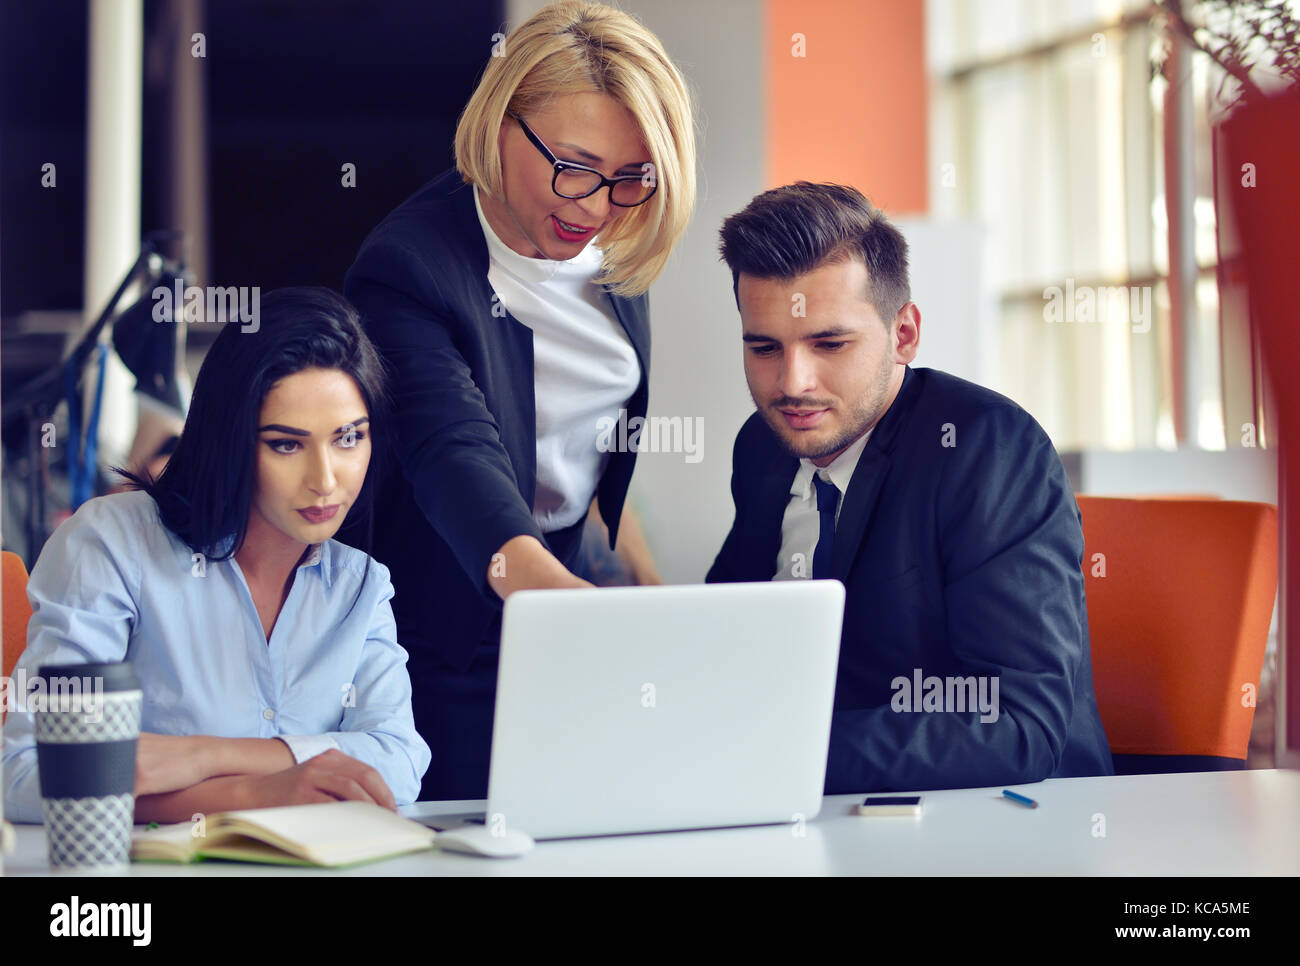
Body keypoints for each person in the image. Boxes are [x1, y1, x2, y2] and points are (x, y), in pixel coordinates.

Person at [342, 0, 696, 800]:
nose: (593, 205)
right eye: (573, 166)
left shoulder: (614, 246)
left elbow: (576, 445)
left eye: (630, 178)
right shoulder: (409, 265)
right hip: (443, 634)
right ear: (501, 122)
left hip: (563, 604)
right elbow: (450, 449)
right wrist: (551, 598)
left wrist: (637, 594)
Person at [706, 182, 1114, 792]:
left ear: (904, 335)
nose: (792, 383)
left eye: (829, 343)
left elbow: (1020, 724)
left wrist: (778, 754)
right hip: (820, 812)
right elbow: (726, 630)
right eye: (765, 347)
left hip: (1008, 821)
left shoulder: (987, 449)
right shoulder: (763, 447)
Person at [2, 288, 431, 823]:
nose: (326, 480)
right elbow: (26, 774)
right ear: (230, 440)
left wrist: (199, 756)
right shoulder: (111, 545)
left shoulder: (360, 584)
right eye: (286, 444)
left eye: (348, 438)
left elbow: (398, 760)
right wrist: (250, 795)